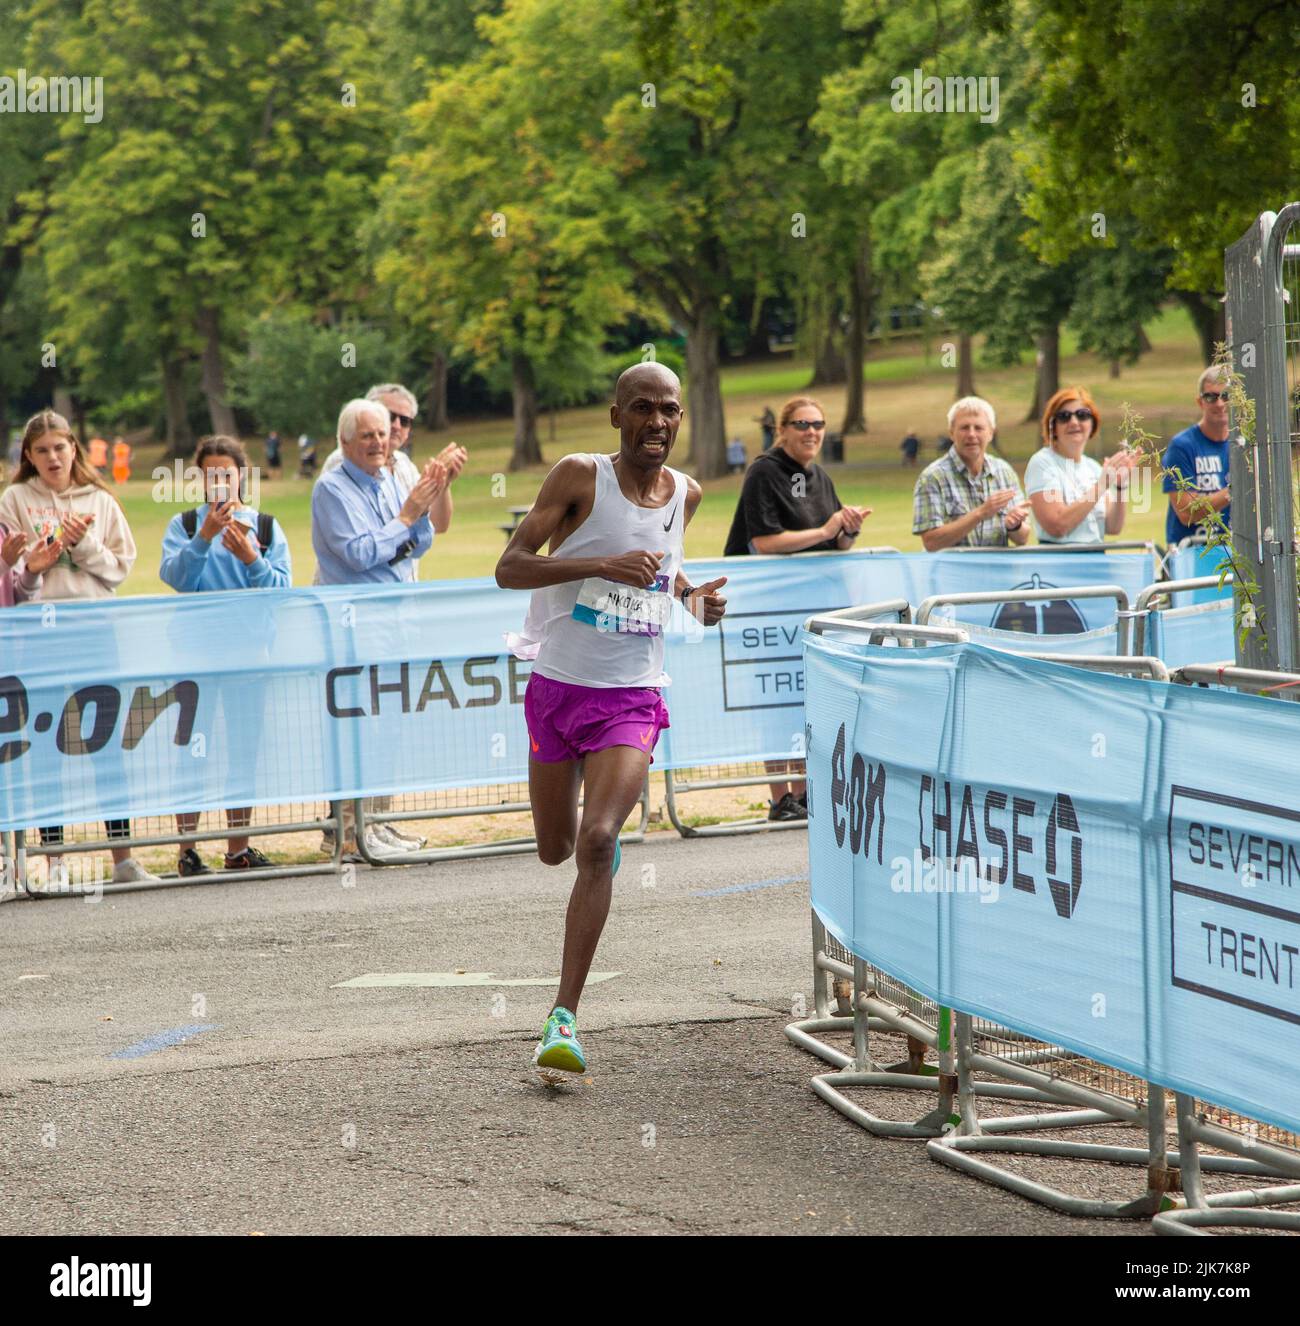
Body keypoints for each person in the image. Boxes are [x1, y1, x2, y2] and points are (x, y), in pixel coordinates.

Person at [496, 363, 727, 1083]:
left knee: (597, 841)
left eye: (670, 411)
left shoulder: (684, 493)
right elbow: (510, 567)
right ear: (616, 415)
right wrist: (602, 563)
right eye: (643, 410)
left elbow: (662, 571)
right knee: (554, 848)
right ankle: (596, 845)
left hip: (631, 695)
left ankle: (562, 1018)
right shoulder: (577, 477)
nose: (658, 423)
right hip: (559, 688)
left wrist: (692, 598)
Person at [0, 410, 158, 886]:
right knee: (50, 745)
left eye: (60, 447)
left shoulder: (100, 501)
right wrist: (37, 563)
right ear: (29, 455)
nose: (53, 457)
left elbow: (117, 569)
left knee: (104, 743)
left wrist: (84, 543)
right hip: (42, 636)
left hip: (95, 632)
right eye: (43, 450)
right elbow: (14, 578)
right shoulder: (15, 499)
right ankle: (56, 858)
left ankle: (122, 856)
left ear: (75, 449)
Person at [723, 395, 871, 821]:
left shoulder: (819, 477)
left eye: (819, 424)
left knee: (808, 698)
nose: (812, 432)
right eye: (802, 424)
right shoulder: (763, 472)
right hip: (770, 611)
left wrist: (846, 533)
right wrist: (826, 528)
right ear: (782, 429)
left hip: (811, 610)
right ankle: (779, 797)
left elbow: (831, 544)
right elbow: (764, 542)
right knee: (775, 698)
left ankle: (806, 791)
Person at [312, 399, 448, 860]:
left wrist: (411, 519)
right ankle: (346, 830)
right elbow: (357, 554)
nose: (378, 442)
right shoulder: (330, 489)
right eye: (367, 435)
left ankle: (378, 821)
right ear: (345, 441)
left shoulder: (390, 480)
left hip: (396, 623)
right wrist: (405, 520)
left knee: (389, 726)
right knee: (357, 729)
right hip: (354, 629)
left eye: (382, 434)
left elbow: (421, 543)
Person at [161, 435, 292, 875]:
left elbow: (280, 592)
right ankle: (187, 850)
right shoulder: (183, 526)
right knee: (193, 754)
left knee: (243, 754)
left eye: (227, 474)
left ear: (242, 476)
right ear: (199, 479)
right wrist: (204, 539)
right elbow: (177, 578)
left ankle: (238, 848)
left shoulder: (267, 527)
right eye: (210, 474)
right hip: (195, 661)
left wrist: (252, 558)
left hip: (249, 661)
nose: (219, 482)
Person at [912, 397, 1031, 550]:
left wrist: (1014, 526)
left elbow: (1023, 538)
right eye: (964, 428)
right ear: (951, 433)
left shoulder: (1004, 473)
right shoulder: (932, 478)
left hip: (997, 573)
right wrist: (980, 513)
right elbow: (932, 542)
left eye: (979, 428)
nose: (971, 434)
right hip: (951, 574)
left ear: (991, 433)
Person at [1025, 387, 1139, 544]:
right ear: (1053, 427)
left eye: (1082, 415)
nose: (1074, 422)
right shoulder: (1042, 463)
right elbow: (1057, 526)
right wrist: (1100, 486)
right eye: (1064, 416)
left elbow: (1113, 527)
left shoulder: (1092, 467)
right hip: (1059, 563)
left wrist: (1121, 486)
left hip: (1096, 561)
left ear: (1092, 423)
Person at [1163, 367, 1231, 546]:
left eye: (1226, 395)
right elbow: (1186, 512)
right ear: (1200, 402)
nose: (1220, 403)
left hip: (1237, 551)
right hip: (1192, 550)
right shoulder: (1182, 446)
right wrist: (1234, 491)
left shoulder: (1246, 445)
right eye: (1211, 397)